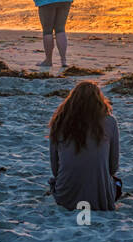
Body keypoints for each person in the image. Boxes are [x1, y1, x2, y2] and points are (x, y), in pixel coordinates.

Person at [48, 81, 121, 211]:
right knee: (118, 183)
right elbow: (113, 168)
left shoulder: (59, 122)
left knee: (53, 183)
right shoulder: (110, 122)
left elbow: (55, 169)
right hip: (99, 197)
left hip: (66, 196)